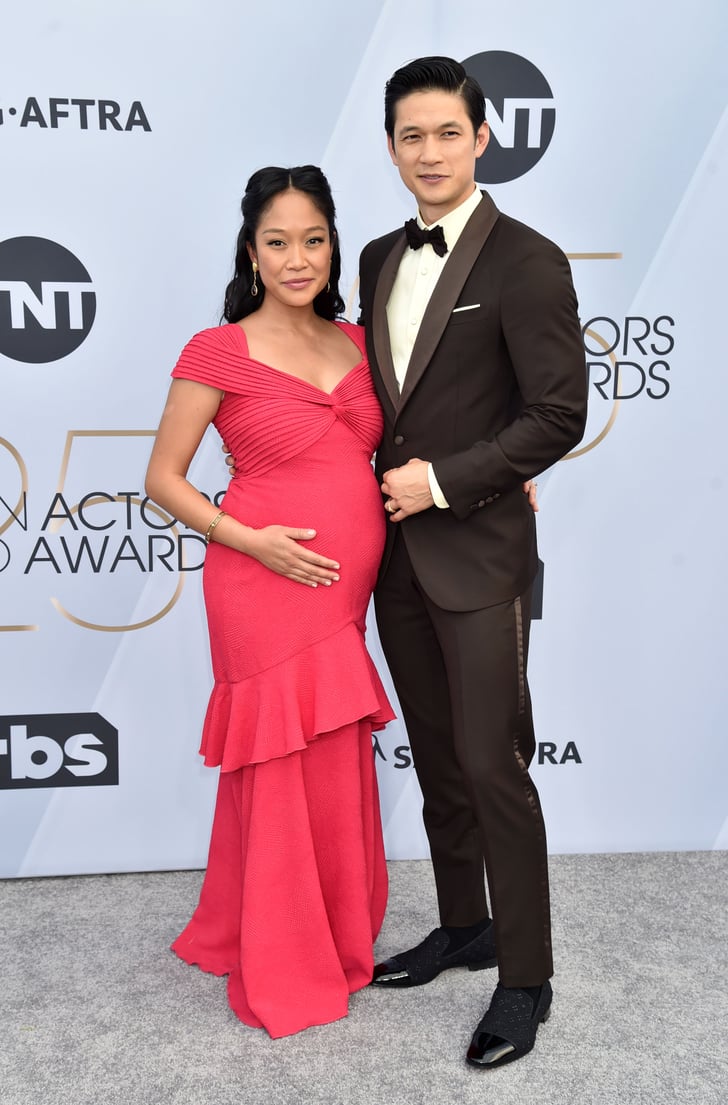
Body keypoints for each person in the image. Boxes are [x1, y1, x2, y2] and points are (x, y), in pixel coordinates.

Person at [357, 57, 588, 1069]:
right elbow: (370, 403)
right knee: (437, 758)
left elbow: (556, 414)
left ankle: (524, 976)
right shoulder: (370, 256)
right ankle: (463, 923)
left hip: (477, 551)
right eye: (410, 134)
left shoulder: (527, 261)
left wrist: (444, 481)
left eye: (446, 132)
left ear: (481, 137)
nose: (429, 152)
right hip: (392, 558)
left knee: (493, 765)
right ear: (391, 146)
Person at [144, 165, 395, 1039]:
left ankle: (328, 930)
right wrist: (250, 541)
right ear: (251, 251)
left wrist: (506, 482)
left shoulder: (363, 345)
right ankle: (286, 955)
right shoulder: (217, 349)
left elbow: (420, 441)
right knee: (283, 759)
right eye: (278, 241)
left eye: (314, 239)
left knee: (328, 755)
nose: (298, 258)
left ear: (333, 244)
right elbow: (162, 480)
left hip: (341, 594)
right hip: (258, 581)